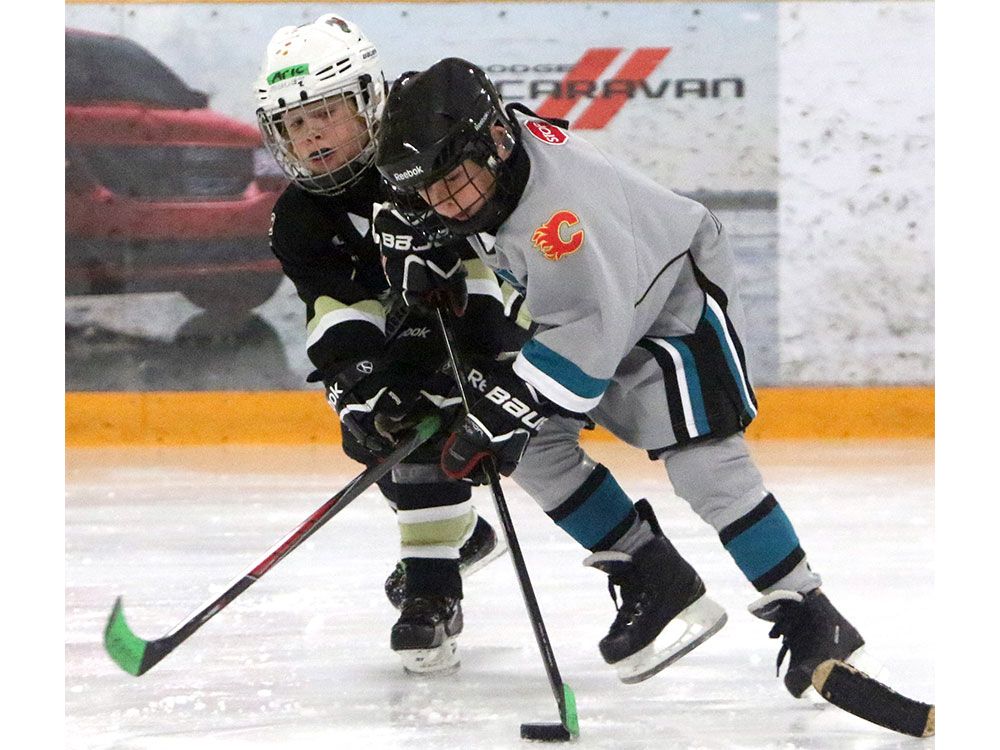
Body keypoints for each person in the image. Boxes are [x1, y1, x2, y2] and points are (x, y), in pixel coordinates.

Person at [374, 57, 867, 696]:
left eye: (452, 184)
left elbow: (587, 336)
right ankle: (651, 573)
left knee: (704, 466)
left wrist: (494, 414)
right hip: (604, 296)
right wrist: (426, 241)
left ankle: (810, 613)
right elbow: (446, 199)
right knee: (534, 450)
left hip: (673, 301)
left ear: (493, 143)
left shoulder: (560, 217)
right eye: (428, 191)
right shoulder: (492, 155)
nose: (443, 203)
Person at [253, 16, 522, 675]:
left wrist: (474, 353)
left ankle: (432, 588)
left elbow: (485, 265)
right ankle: (446, 563)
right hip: (402, 330)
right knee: (385, 430)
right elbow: (334, 304)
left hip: (476, 321)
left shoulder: (420, 162)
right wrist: (360, 379)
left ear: (368, 102)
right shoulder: (297, 217)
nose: (310, 134)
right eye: (294, 123)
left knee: (436, 438)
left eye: (324, 113)